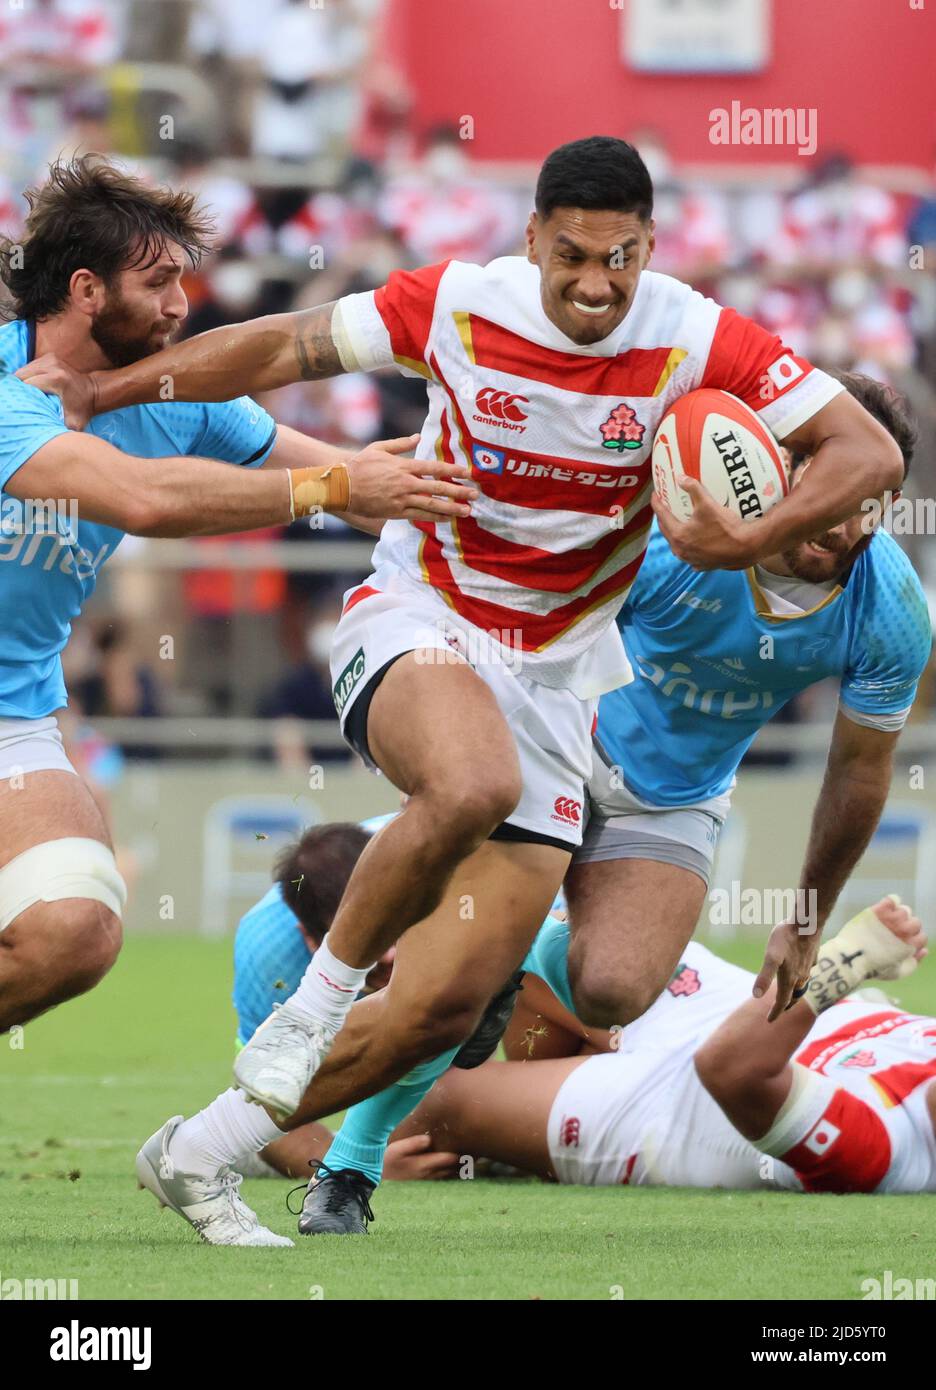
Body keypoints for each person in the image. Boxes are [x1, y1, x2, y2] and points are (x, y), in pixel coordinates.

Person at [29, 138, 903, 1236]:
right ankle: (309, 1010)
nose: (596, 283)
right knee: (470, 778)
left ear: (650, 249)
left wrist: (749, 538)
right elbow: (287, 346)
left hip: (552, 683)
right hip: (419, 615)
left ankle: (201, 1151)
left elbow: (866, 448)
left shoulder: (696, 335)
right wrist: (107, 387)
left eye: (621, 258)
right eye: (573, 255)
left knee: (438, 1007)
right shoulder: (459, 303)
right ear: (532, 238)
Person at [0, 154, 475, 1042]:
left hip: (14, 716)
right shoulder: (5, 389)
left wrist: (513, 479)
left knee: (75, 933)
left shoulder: (179, 398)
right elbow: (144, 499)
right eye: (160, 282)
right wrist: (336, 488)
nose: (184, 304)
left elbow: (367, 481)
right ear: (85, 290)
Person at [400, 897, 934, 1198]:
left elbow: (732, 1067)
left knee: (436, 1103)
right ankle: (518, 1148)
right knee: (535, 936)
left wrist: (845, 958)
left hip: (677, 1109)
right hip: (728, 1004)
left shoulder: (885, 1154)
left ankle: (336, 1158)